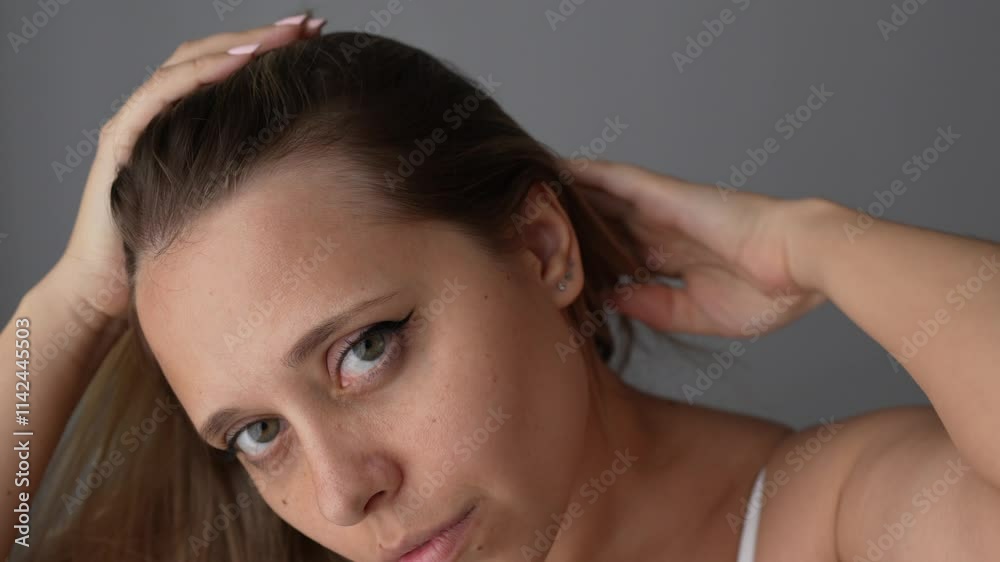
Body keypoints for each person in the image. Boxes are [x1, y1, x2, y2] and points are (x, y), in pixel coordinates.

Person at [3, 15, 999, 562]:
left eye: (365, 349)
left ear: (539, 248)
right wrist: (75, 304)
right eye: (257, 433)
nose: (346, 494)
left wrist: (812, 242)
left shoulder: (834, 523)